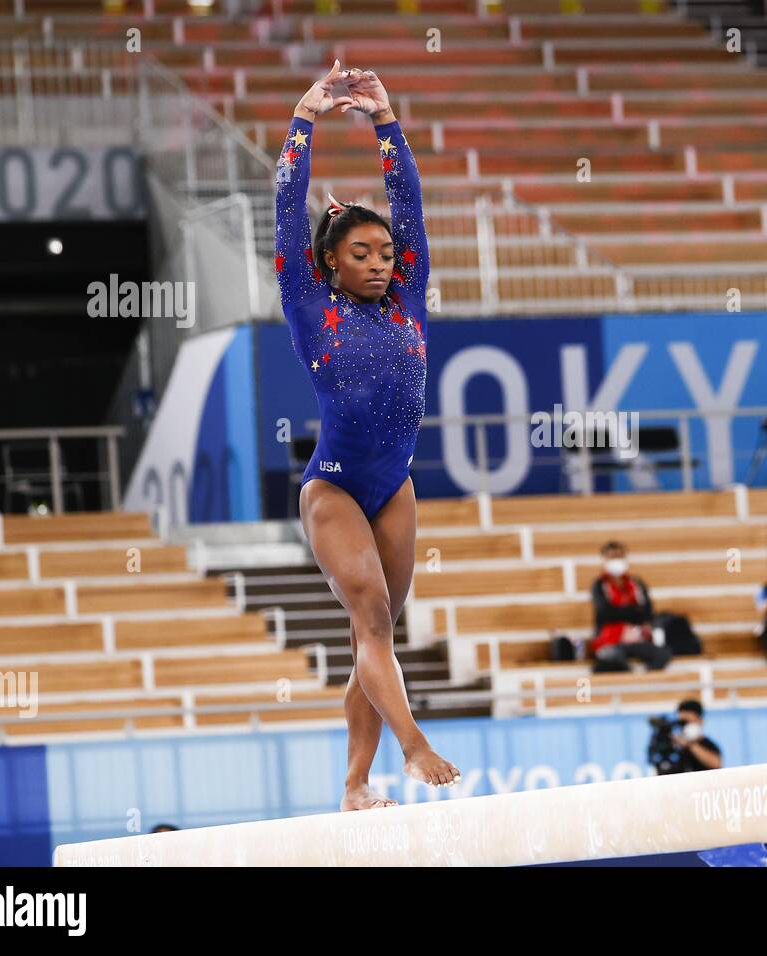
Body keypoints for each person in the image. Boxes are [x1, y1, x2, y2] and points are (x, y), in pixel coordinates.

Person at [277, 62, 458, 810]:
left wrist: (387, 123)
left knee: (373, 636)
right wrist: (303, 121)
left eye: (386, 255)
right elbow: (288, 212)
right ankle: (412, 747)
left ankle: (355, 786)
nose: (381, 265)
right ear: (328, 264)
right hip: (335, 488)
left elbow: (408, 209)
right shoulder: (309, 308)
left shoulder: (407, 300)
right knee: (374, 620)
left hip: (395, 486)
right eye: (362, 255)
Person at [590, 541, 671, 671]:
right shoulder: (599, 585)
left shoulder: (636, 584)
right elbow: (605, 613)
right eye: (612, 557)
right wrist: (633, 612)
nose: (616, 560)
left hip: (637, 639)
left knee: (663, 653)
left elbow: (648, 611)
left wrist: (624, 613)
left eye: (619, 556)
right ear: (604, 560)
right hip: (611, 640)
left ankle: (647, 682)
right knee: (615, 660)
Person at [670, 700, 722, 772]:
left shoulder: (709, 744)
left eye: (688, 721)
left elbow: (716, 764)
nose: (685, 726)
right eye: (681, 723)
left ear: (700, 721)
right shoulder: (676, 747)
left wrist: (690, 744)